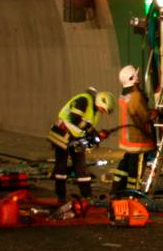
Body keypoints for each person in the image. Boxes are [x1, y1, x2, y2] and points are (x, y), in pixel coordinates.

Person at [46, 87, 115, 203]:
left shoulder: (95, 111)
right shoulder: (84, 100)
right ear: (99, 101)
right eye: (103, 109)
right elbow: (74, 118)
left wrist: (95, 135)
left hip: (75, 137)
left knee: (81, 166)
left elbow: (87, 126)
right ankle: (61, 195)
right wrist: (91, 133)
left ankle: (87, 195)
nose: (102, 112)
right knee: (61, 166)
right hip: (63, 133)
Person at [112, 65, 155, 194]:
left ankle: (117, 188)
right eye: (136, 76)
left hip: (127, 138)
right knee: (137, 167)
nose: (139, 78)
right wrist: (155, 113)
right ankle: (134, 193)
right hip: (138, 139)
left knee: (127, 163)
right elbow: (144, 116)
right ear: (132, 78)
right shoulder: (136, 96)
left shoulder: (124, 95)